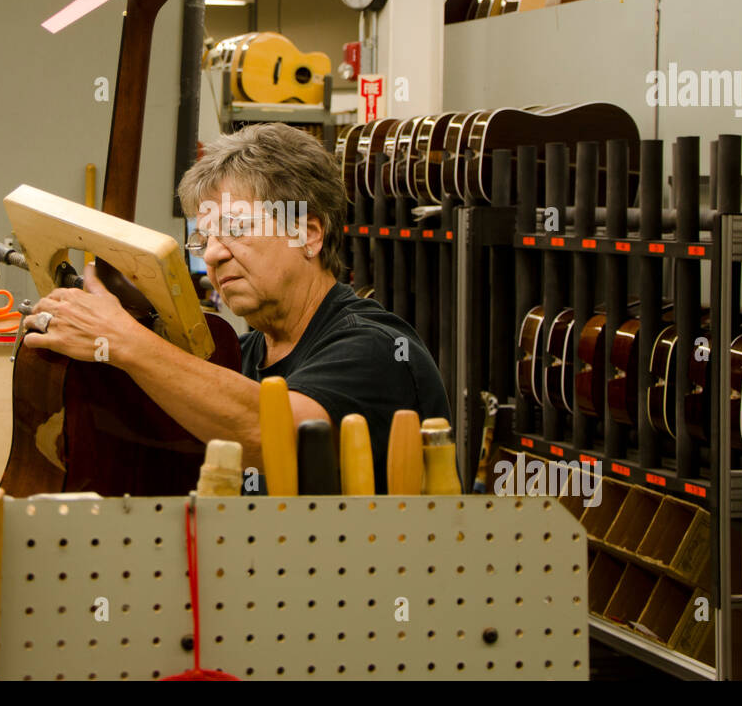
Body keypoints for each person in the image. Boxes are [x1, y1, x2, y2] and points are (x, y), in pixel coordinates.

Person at [23, 122, 450, 492]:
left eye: (235, 229)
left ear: (309, 234)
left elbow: (274, 436)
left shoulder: (376, 349)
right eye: (204, 239)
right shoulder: (242, 357)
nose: (211, 255)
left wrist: (123, 340)